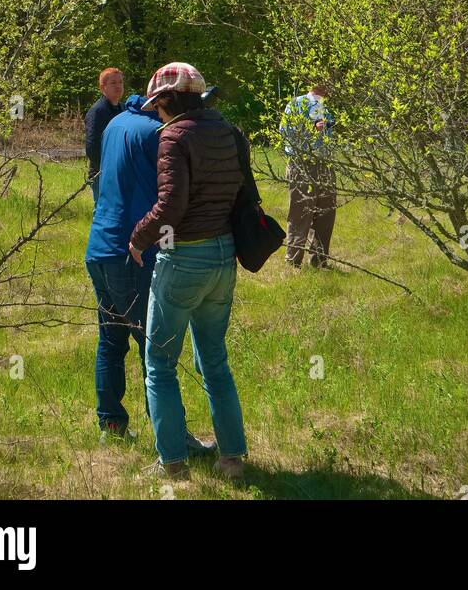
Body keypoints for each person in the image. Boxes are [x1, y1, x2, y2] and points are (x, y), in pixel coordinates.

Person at [129, 61, 251, 483]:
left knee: (159, 363)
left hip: (183, 258)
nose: (155, 114)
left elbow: (170, 207)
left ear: (166, 100)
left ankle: (173, 463)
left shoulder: (174, 136)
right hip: (224, 256)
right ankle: (232, 458)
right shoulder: (224, 130)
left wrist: (139, 237)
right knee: (214, 360)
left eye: (156, 105)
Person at [85, 90, 214, 455]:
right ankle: (172, 441)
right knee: (154, 348)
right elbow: (170, 194)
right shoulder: (155, 134)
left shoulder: (114, 124)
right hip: (132, 252)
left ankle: (111, 424)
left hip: (99, 246)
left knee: (111, 341)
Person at [281, 80, 337, 269]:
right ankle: (293, 262)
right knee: (300, 213)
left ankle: (319, 262)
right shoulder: (296, 104)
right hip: (302, 164)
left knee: (326, 213)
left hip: (326, 166)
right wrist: (311, 129)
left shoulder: (326, 108)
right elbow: (286, 132)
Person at [85, 68, 124, 203]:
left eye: (120, 82)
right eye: (113, 83)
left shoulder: (124, 110)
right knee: (102, 215)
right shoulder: (97, 111)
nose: (118, 86)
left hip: (121, 173)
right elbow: (92, 147)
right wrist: (108, 170)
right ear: (103, 87)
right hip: (102, 175)